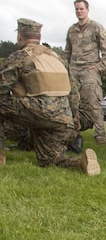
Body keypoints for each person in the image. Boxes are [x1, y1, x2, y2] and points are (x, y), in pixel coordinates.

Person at [0, 18, 100, 175]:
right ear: (39, 37)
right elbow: (74, 95)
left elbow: (2, 88)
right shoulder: (57, 58)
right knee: (49, 159)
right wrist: (74, 123)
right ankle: (80, 162)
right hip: (63, 119)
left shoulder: (19, 56)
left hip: (37, 112)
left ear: (19, 36)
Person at [64, 0, 106, 145]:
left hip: (89, 71)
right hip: (73, 70)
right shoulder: (71, 30)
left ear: (87, 10)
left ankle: (100, 136)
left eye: (81, 9)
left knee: (94, 103)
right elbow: (67, 51)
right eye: (77, 9)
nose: (79, 11)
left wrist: (100, 67)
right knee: (71, 102)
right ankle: (71, 133)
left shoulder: (96, 27)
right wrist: (65, 68)